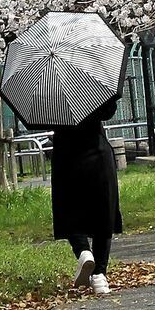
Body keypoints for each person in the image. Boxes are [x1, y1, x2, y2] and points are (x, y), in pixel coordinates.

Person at [48, 93, 122, 296]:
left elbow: (39, 121)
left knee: (68, 208)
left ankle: (83, 252)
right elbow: (109, 111)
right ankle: (99, 275)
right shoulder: (91, 82)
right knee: (103, 212)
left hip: (66, 156)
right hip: (98, 153)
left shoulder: (50, 90)